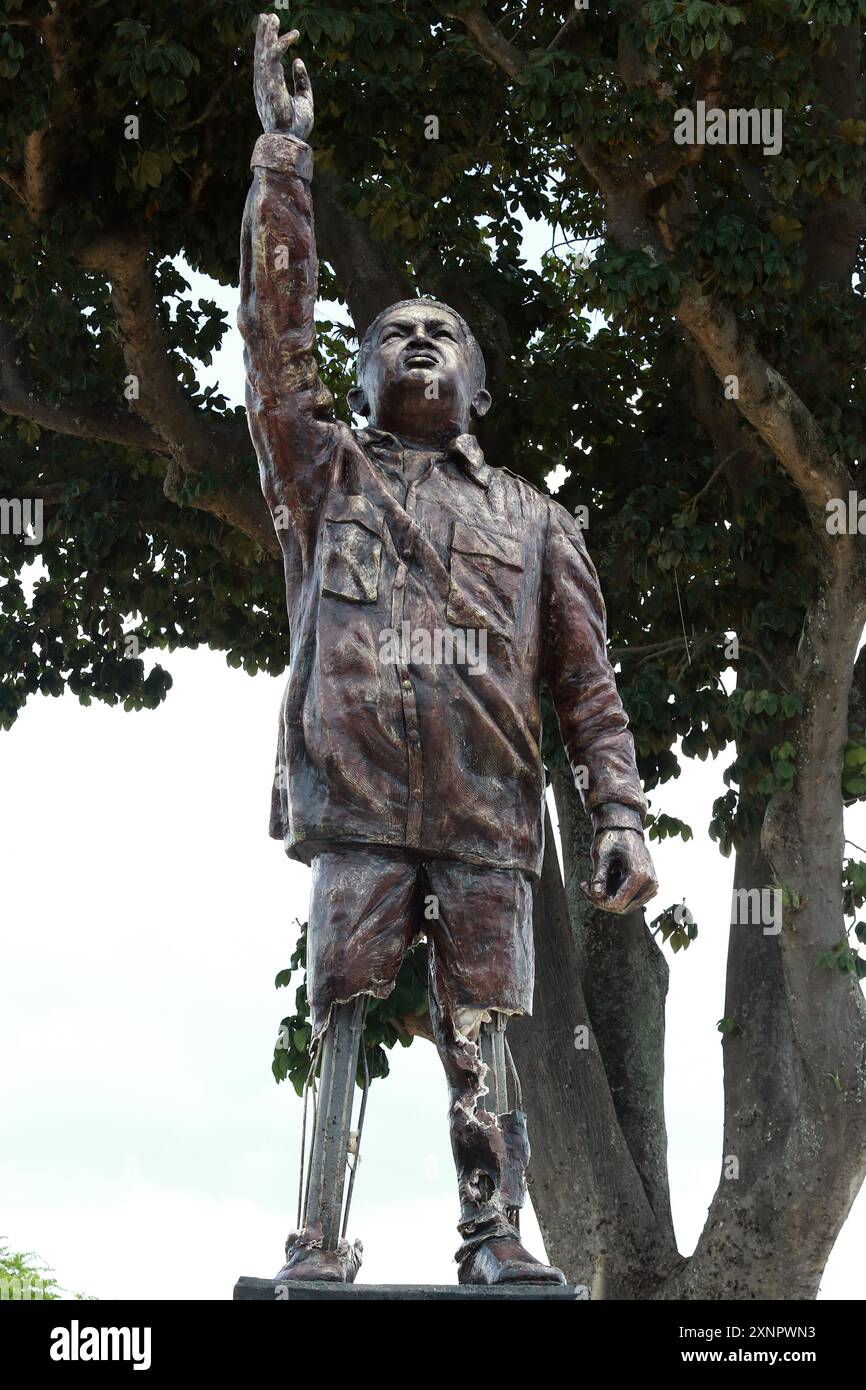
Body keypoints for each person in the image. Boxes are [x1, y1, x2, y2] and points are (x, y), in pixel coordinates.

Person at [239, 13, 658, 1286]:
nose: (413, 341)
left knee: (484, 1025)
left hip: (485, 813)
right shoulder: (322, 474)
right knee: (346, 1009)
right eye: (389, 334)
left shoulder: (536, 522)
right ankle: (318, 1236)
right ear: (357, 379)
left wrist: (621, 813)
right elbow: (272, 345)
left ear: (479, 386)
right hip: (359, 799)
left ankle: (496, 1236)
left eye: (441, 335)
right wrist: (281, 167)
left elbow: (586, 684)